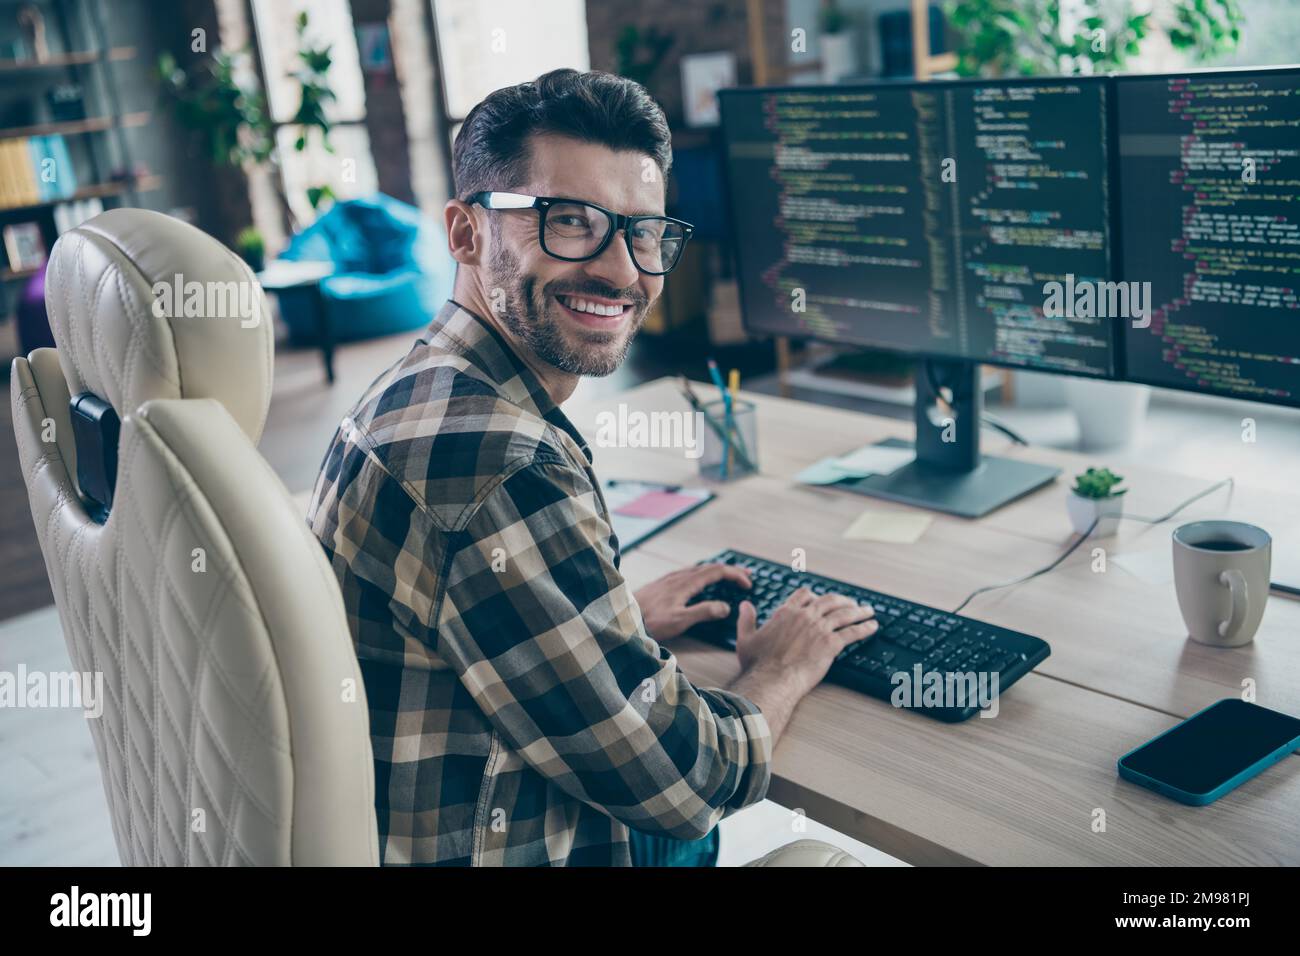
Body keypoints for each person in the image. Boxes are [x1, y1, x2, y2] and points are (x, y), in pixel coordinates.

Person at [306, 68, 877, 866]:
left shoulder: (417, 388)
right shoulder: (500, 464)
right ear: (466, 233)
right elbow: (686, 785)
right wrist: (781, 667)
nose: (622, 271)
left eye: (643, 232)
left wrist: (610, 626)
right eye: (570, 221)